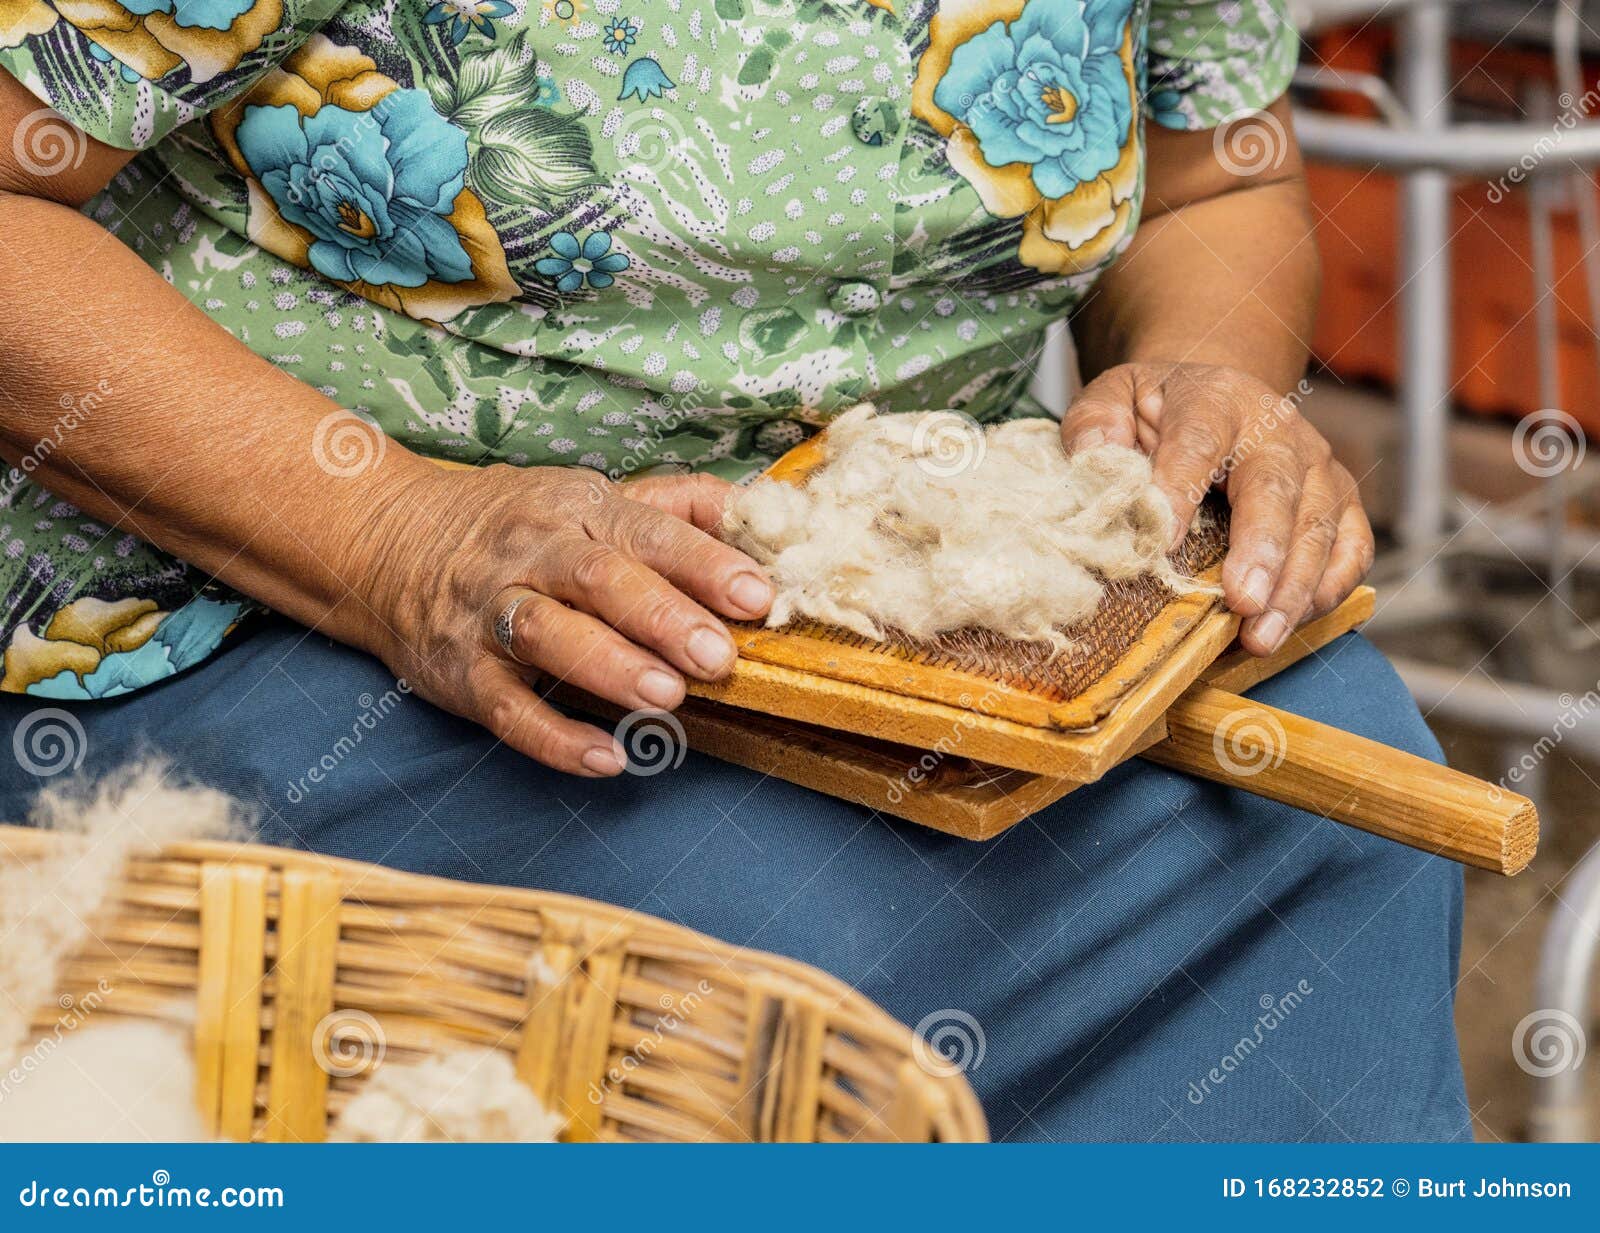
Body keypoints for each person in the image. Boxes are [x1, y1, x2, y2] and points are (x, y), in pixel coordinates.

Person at [0, 0, 1467, 1139]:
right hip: (288, 597)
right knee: (781, 959)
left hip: (896, 596)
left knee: (1336, 807)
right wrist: (397, 534)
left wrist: (1206, 375)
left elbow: (1220, 174)